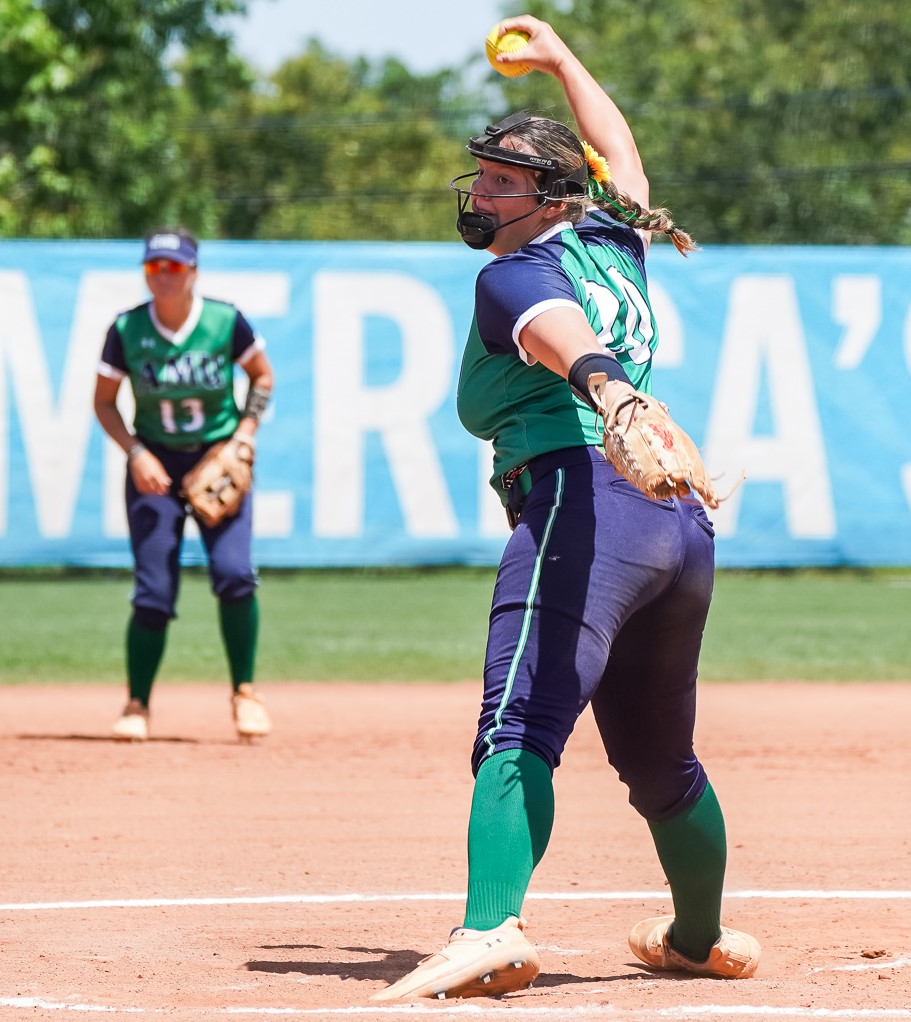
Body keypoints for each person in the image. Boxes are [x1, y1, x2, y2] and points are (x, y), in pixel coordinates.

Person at [372, 15, 759, 1002]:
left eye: (501, 179)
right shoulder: (611, 239)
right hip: (677, 527)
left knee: (517, 723)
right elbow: (620, 158)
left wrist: (610, 391)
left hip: (584, 503)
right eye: (484, 173)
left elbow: (558, 333)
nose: (481, 190)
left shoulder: (515, 271)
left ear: (546, 195)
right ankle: (695, 932)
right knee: (658, 755)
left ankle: (489, 925)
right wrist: (559, 59)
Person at [91, 227, 276, 743]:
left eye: (174, 267)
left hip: (218, 459)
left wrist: (244, 434)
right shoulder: (127, 329)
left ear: (193, 271)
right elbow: (104, 401)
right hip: (156, 466)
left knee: (235, 574)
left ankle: (245, 692)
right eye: (155, 268)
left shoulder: (223, 321)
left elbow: (262, 376)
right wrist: (135, 452)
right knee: (153, 591)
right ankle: (137, 705)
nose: (164, 277)